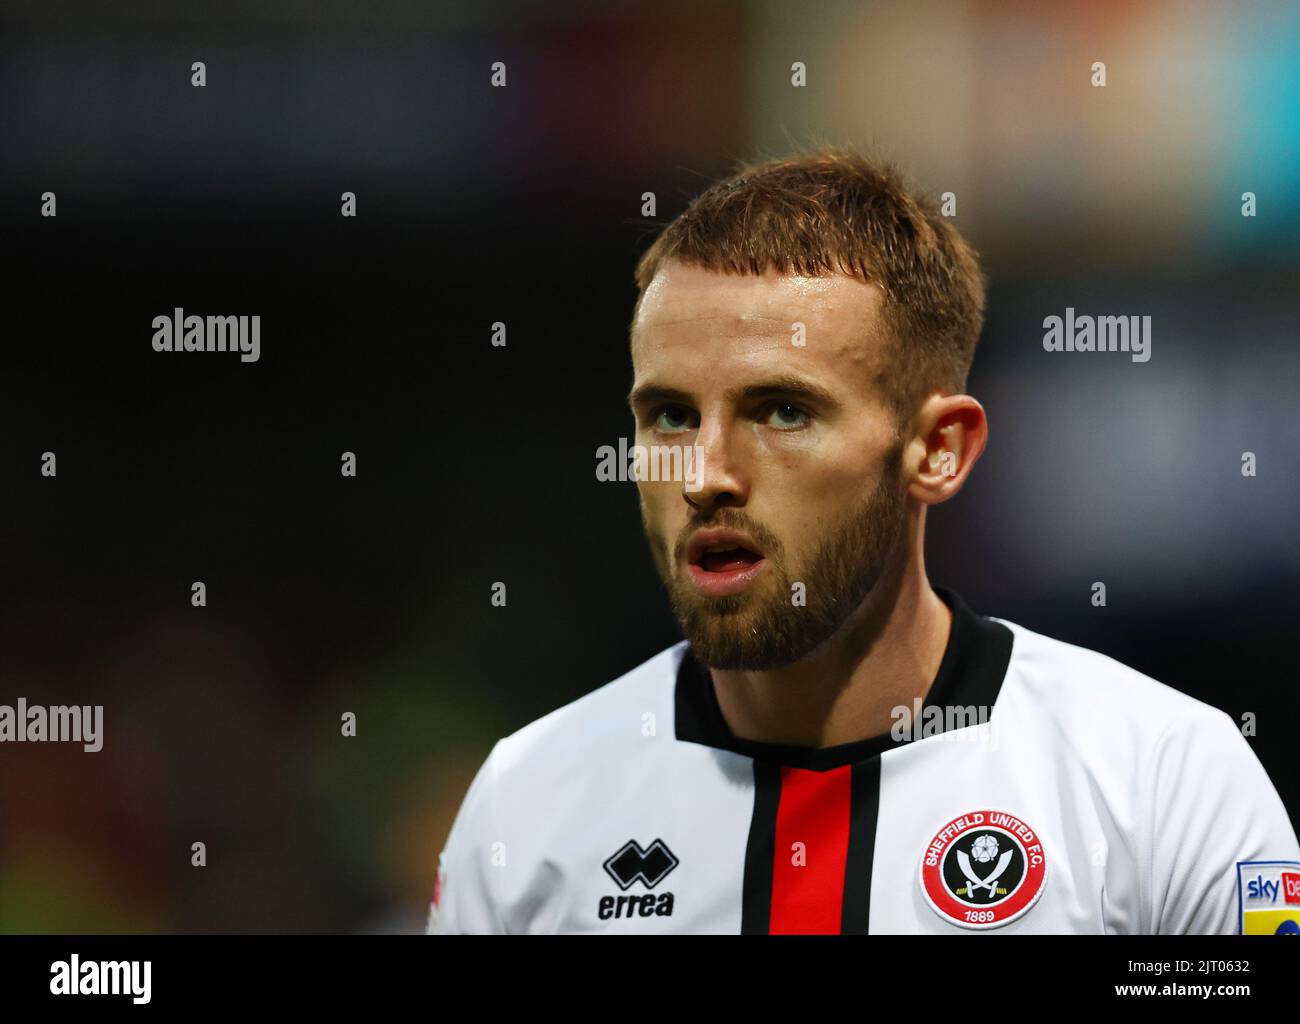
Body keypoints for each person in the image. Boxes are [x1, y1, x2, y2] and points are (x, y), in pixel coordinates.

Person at [428, 146, 1300, 934]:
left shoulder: (1165, 781)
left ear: (937, 451)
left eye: (783, 411)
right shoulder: (529, 806)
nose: (705, 474)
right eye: (669, 416)